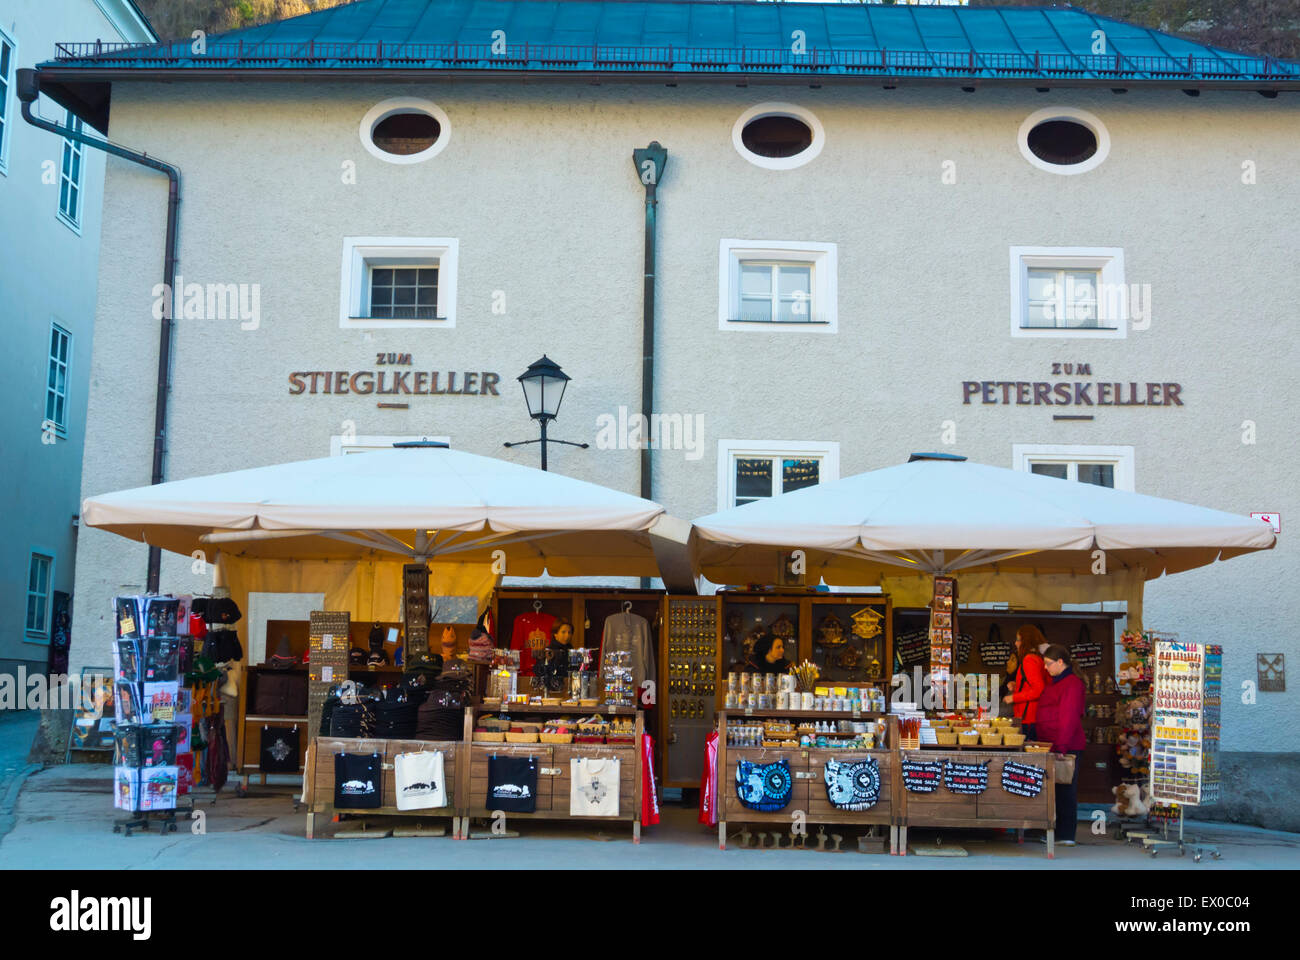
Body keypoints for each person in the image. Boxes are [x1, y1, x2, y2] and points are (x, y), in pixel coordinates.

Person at [1035, 643, 1087, 847]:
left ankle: (1066, 834)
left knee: (1066, 790)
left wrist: (1061, 747)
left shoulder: (1072, 684)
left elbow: (1069, 718)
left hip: (1066, 746)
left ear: (1060, 662)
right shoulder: (1056, 682)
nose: (1046, 668)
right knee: (1055, 790)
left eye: (1048, 664)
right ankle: (1057, 832)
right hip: (1053, 744)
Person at [1002, 625, 1048, 740]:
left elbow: (1039, 689)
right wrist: (1017, 685)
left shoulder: (1029, 660)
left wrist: (1014, 697)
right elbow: (1034, 684)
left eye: (1018, 639)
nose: (1016, 643)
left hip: (1028, 718)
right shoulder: (1038, 658)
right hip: (1034, 716)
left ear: (1026, 641)